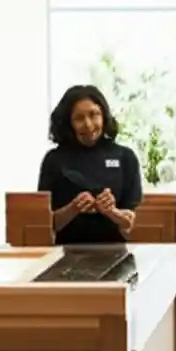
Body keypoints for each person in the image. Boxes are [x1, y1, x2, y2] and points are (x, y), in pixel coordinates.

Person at [37, 85, 143, 243]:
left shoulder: (125, 157)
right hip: (64, 257)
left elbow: (134, 225)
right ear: (68, 122)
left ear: (104, 116)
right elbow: (42, 225)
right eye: (79, 118)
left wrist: (112, 212)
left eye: (94, 115)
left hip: (118, 256)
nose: (88, 124)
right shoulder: (54, 160)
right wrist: (73, 208)